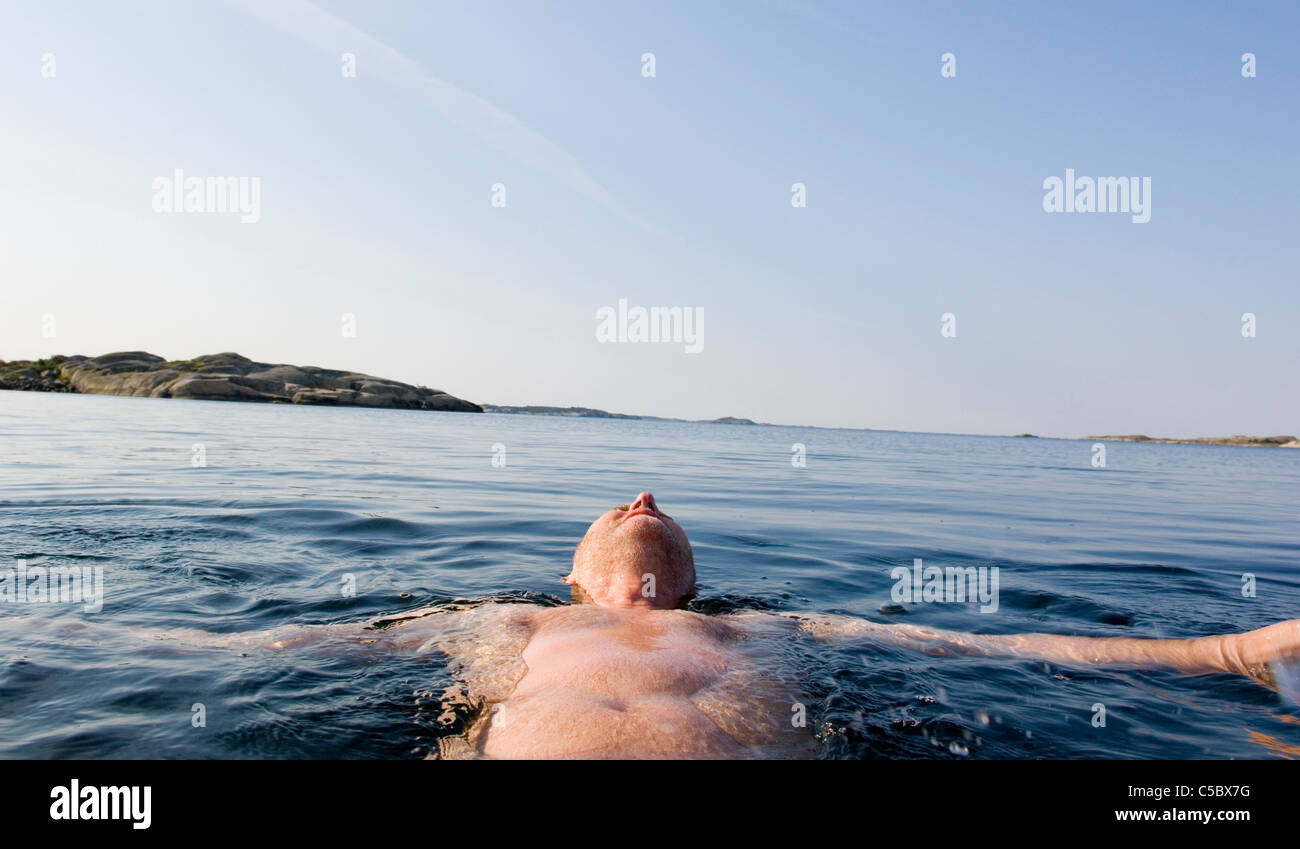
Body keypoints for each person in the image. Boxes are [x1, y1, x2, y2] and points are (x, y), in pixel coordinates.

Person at [33, 492, 1300, 758]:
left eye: (657, 508)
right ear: (577, 572)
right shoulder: (501, 617)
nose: (640, 498)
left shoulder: (780, 624)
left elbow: (998, 651)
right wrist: (69, 638)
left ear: (690, 580)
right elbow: (257, 656)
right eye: (618, 504)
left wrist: (1235, 651)